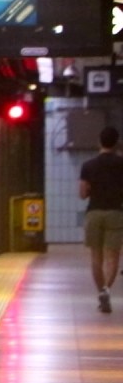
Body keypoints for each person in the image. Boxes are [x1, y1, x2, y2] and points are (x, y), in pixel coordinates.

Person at [79, 125, 123, 313]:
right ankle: (106, 290)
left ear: (99, 141)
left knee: (96, 257)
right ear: (117, 143)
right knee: (112, 257)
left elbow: (82, 194)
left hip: (94, 213)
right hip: (116, 213)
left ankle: (101, 293)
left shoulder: (88, 165)